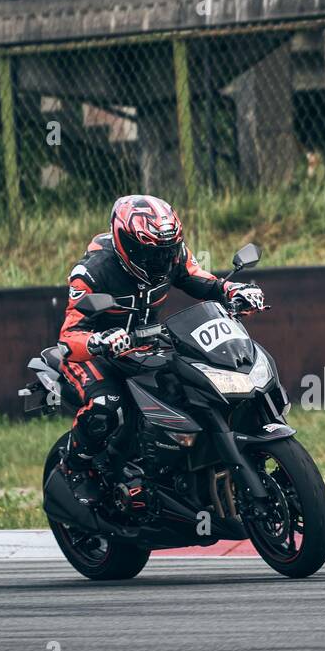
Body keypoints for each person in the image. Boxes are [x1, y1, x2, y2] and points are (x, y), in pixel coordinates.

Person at [55, 194, 265, 506]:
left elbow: (203, 282)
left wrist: (233, 290)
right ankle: (76, 468)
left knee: (196, 385)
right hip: (95, 355)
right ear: (125, 242)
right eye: (150, 252)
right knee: (106, 404)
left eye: (166, 251)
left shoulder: (172, 255)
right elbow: (69, 336)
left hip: (147, 344)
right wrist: (100, 341)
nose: (161, 261)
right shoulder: (91, 273)